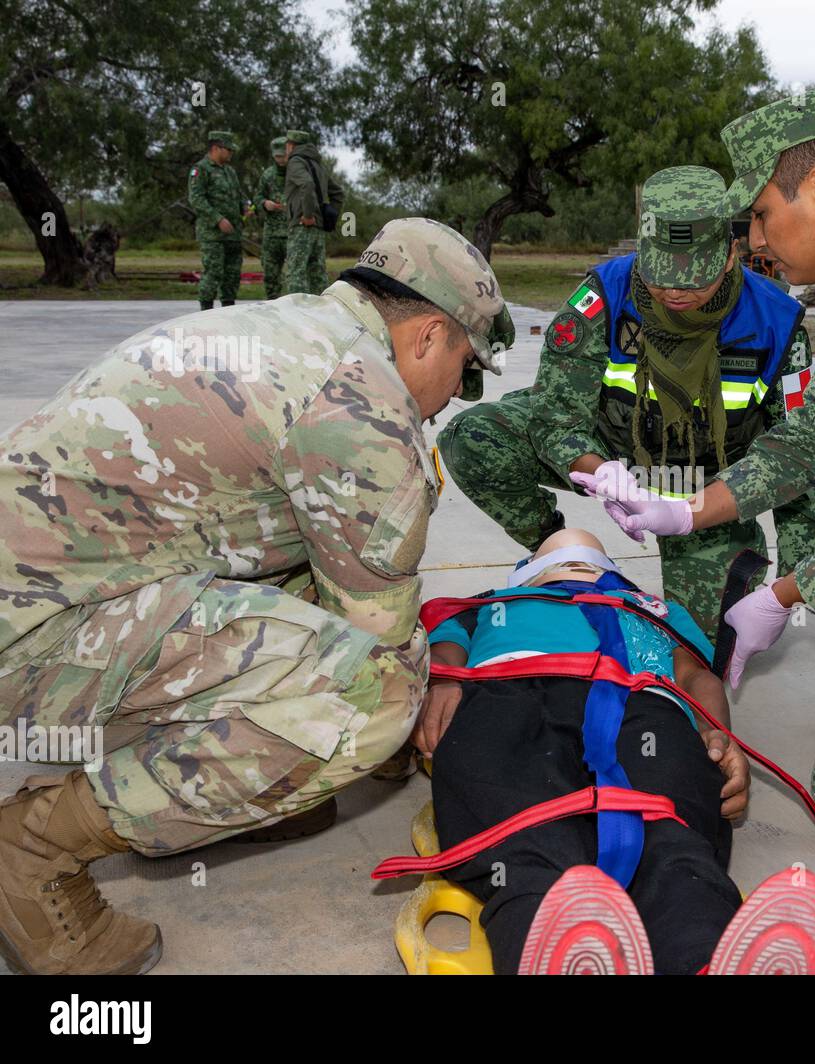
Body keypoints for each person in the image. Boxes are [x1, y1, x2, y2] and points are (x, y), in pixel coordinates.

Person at [0, 218, 511, 976]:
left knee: (310, 594)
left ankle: (245, 779)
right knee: (375, 697)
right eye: (464, 368)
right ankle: (34, 846)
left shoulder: (289, 326)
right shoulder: (361, 407)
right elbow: (379, 639)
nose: (452, 398)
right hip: (31, 640)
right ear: (429, 336)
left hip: (45, 591)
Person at [580, 89, 815, 832]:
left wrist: (785, 594)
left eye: (759, 214)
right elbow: (808, 442)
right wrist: (687, 512)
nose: (753, 239)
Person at [411, 527, 815, 975]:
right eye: (560, 563)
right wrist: (442, 683)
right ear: (525, 578)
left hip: (640, 703)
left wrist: (715, 733)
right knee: (521, 834)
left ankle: (700, 950)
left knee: (672, 834)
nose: (577, 569)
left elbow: (696, 677)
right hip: (506, 695)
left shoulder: (658, 610)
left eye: (590, 563)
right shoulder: (484, 605)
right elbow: (443, 656)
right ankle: (552, 934)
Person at [440, 165, 815, 634]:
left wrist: (789, 590)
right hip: (615, 454)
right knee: (473, 437)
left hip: (708, 488)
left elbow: (806, 458)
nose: (674, 292)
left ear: (730, 255)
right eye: (660, 276)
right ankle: (562, 551)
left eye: (693, 280)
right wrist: (602, 474)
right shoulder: (604, 297)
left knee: (705, 646)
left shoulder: (775, 322)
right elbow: (555, 416)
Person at [187, 129, 249, 310]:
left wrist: (245, 206)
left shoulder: (229, 171)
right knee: (213, 273)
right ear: (215, 148)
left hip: (233, 234)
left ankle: (228, 310)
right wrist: (218, 219)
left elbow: (238, 195)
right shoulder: (201, 169)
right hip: (212, 235)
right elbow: (196, 199)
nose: (231, 153)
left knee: (232, 275)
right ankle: (205, 311)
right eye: (228, 150)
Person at [282, 128, 344, 296]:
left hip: (302, 226)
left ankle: (297, 310)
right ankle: (322, 309)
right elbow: (338, 193)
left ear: (291, 145)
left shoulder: (295, 161)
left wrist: (308, 215)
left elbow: (307, 184)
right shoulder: (317, 165)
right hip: (318, 229)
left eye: (287, 145)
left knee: (296, 272)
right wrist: (329, 217)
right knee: (318, 274)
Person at [255, 136, 290, 299]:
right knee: (270, 274)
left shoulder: (297, 174)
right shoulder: (267, 175)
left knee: (295, 275)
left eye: (283, 156)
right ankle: (272, 303)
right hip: (272, 234)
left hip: (292, 233)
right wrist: (264, 203)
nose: (280, 160)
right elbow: (258, 197)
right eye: (277, 156)